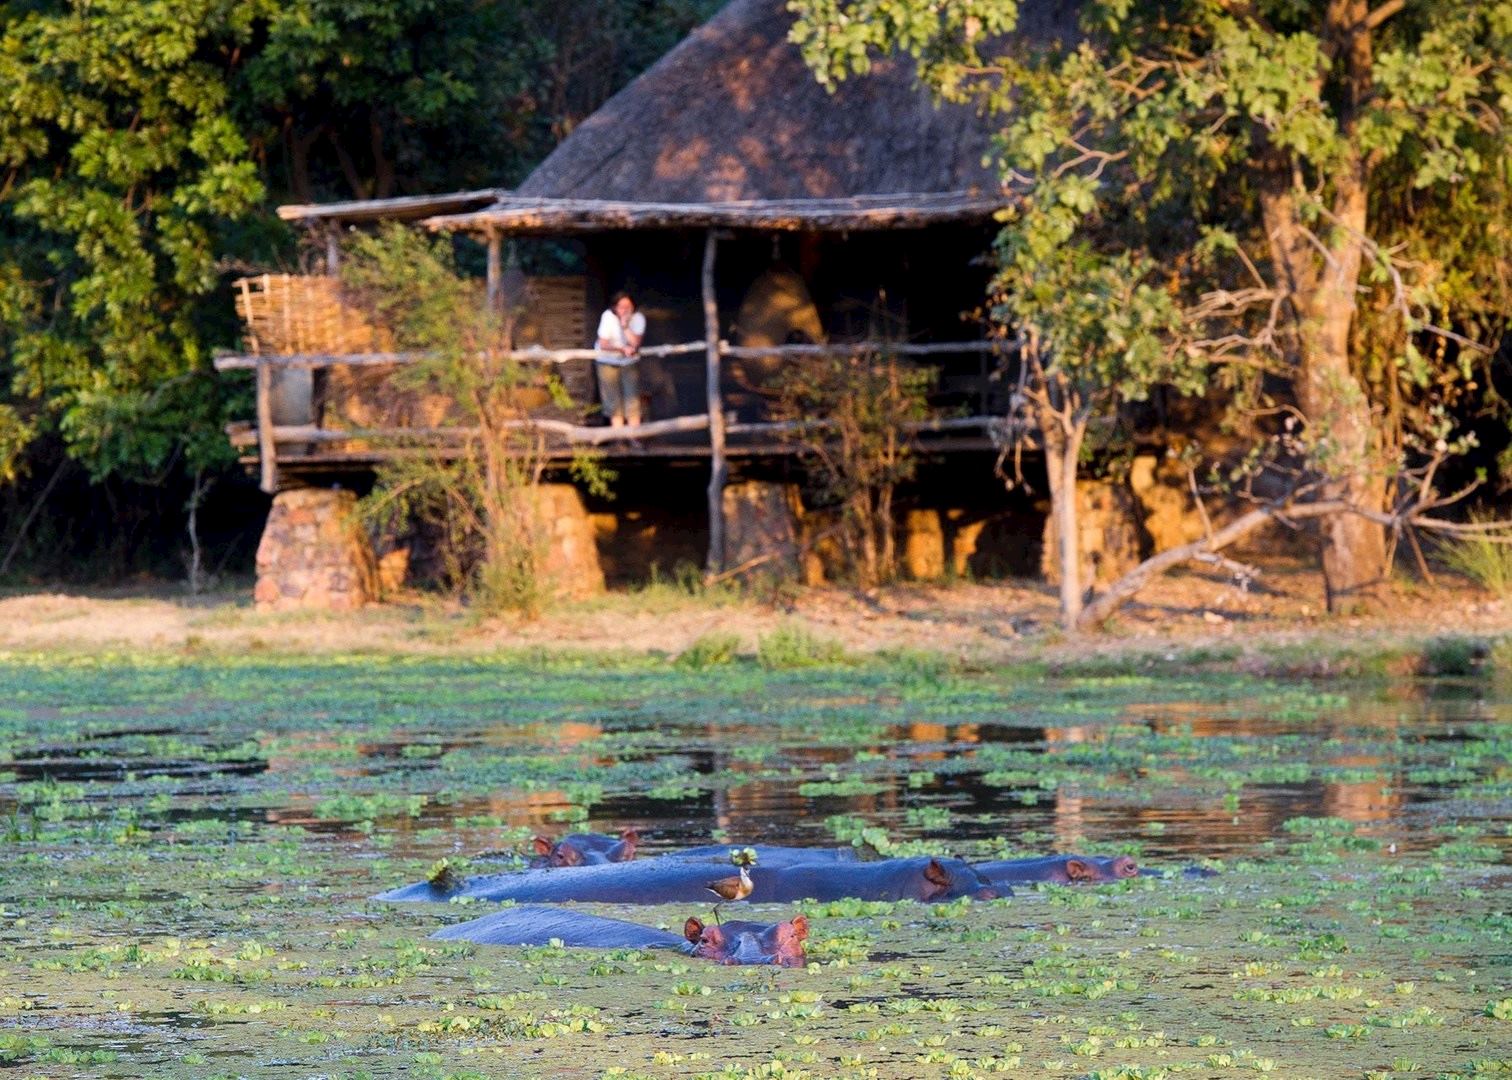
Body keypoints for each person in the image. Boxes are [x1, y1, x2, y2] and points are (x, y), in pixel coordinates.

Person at [594, 291, 645, 427]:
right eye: (621, 306)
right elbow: (604, 343)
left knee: (632, 399)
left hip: (629, 362)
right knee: (613, 401)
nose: (625, 309)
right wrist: (622, 349)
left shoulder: (638, 318)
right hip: (607, 361)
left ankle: (634, 437)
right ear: (615, 307)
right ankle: (619, 437)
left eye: (628, 306)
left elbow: (635, 343)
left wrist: (625, 326)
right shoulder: (608, 316)